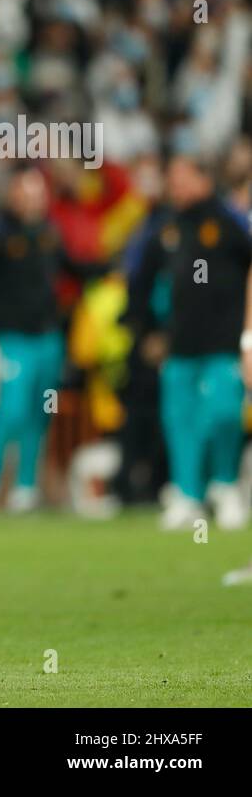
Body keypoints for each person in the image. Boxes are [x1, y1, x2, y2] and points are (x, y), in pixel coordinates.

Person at [128, 154, 251, 531]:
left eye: (182, 179)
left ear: (204, 179)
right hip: (179, 345)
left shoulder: (230, 224)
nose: (175, 187)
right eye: (172, 180)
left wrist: (248, 337)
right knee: (180, 420)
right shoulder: (165, 228)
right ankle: (186, 494)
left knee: (223, 413)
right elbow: (140, 281)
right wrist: (146, 331)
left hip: (223, 342)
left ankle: (225, 485)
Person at [0, 164, 66, 513]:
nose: (31, 201)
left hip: (49, 339)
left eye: (37, 193)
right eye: (25, 193)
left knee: (41, 413)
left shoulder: (49, 234)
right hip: (14, 339)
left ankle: (25, 487)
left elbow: (72, 268)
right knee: (9, 412)